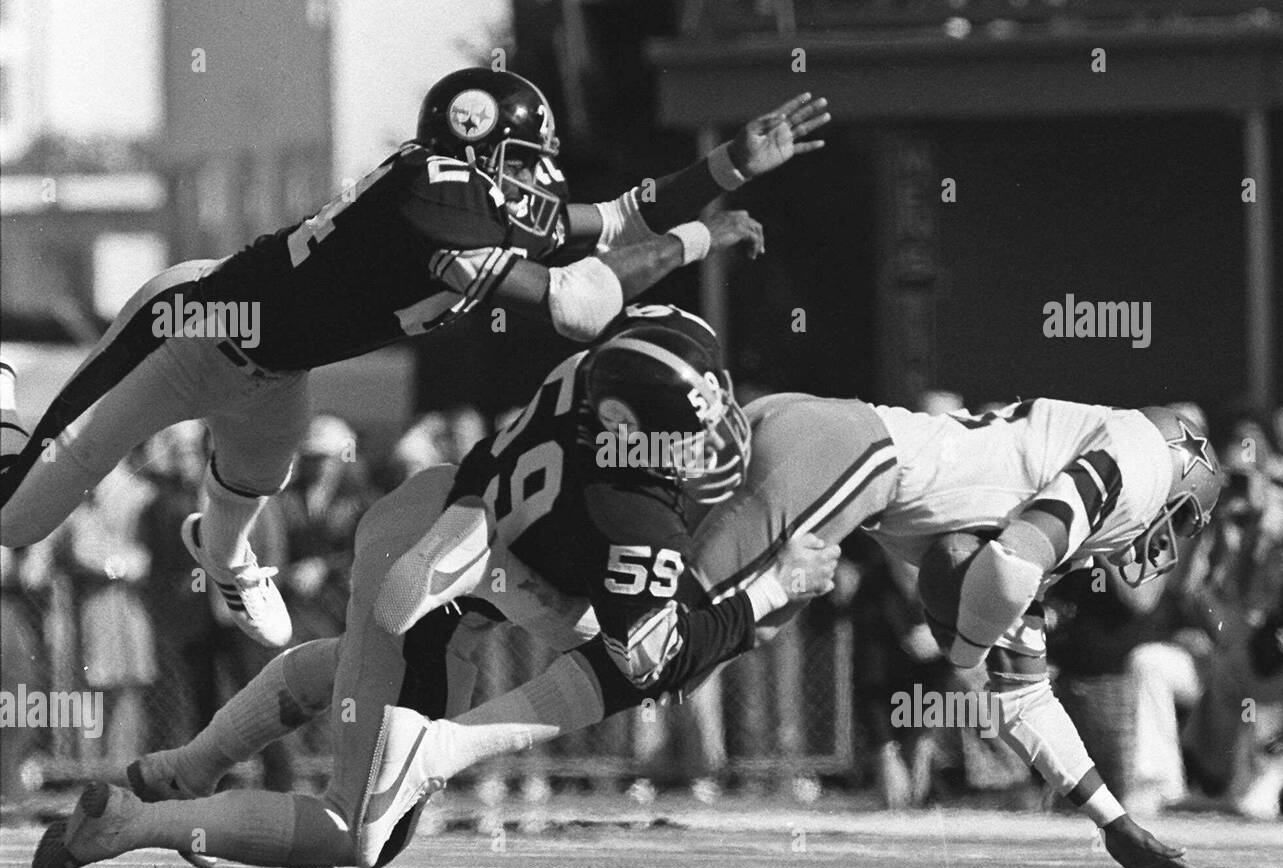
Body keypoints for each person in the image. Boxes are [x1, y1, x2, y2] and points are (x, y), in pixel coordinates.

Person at [1, 69, 830, 648]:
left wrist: (729, 168)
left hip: (274, 363)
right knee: (17, 518)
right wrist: (698, 237)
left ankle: (222, 562)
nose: (537, 178)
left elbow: (615, 217)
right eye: (522, 158)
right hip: (187, 330)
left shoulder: (476, 197)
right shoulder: (439, 196)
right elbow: (581, 307)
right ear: (477, 146)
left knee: (251, 488)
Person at [31, 306, 836, 868]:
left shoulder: (600, 373)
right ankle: (133, 826)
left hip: (429, 520)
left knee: (356, 667)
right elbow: (654, 659)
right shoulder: (630, 511)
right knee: (358, 834)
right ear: (626, 434)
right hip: (438, 598)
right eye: (684, 439)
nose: (710, 444)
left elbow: (526, 432)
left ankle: (185, 766)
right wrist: (769, 592)